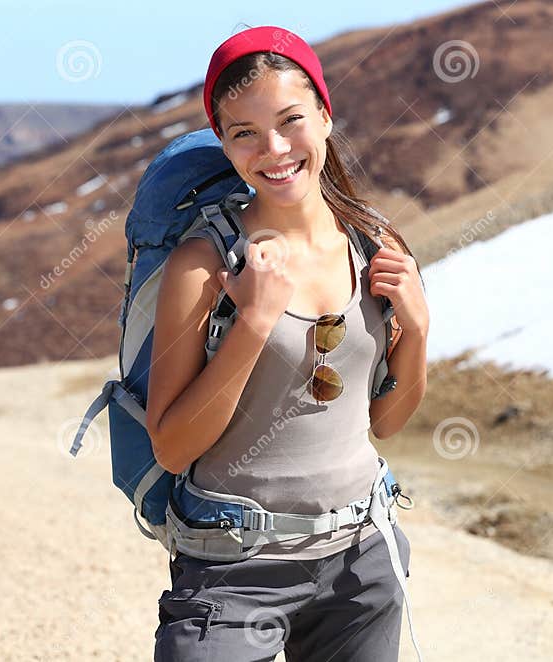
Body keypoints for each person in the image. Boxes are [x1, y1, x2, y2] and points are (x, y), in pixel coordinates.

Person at [146, 26, 430, 661]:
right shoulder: (204, 263)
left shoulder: (375, 244)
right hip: (231, 570)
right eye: (243, 131)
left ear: (325, 117)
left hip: (361, 564)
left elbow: (387, 420)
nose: (272, 149)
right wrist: (252, 324)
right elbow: (172, 446)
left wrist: (417, 329)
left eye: (290, 120)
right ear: (222, 142)